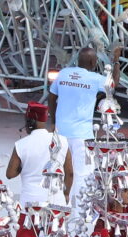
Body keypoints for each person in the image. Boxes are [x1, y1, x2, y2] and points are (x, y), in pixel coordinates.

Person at [47, 48, 115, 196]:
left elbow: (51, 97)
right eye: (95, 60)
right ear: (92, 62)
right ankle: (78, 208)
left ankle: (58, 204)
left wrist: (54, 121)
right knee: (82, 174)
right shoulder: (95, 78)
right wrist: (116, 60)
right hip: (82, 136)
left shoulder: (63, 73)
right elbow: (113, 84)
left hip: (60, 132)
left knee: (57, 170)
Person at [4, 100, 70, 208]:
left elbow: (10, 174)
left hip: (30, 202)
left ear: (29, 121)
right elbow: (70, 173)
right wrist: (66, 194)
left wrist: (24, 165)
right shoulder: (62, 141)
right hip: (57, 202)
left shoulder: (21, 144)